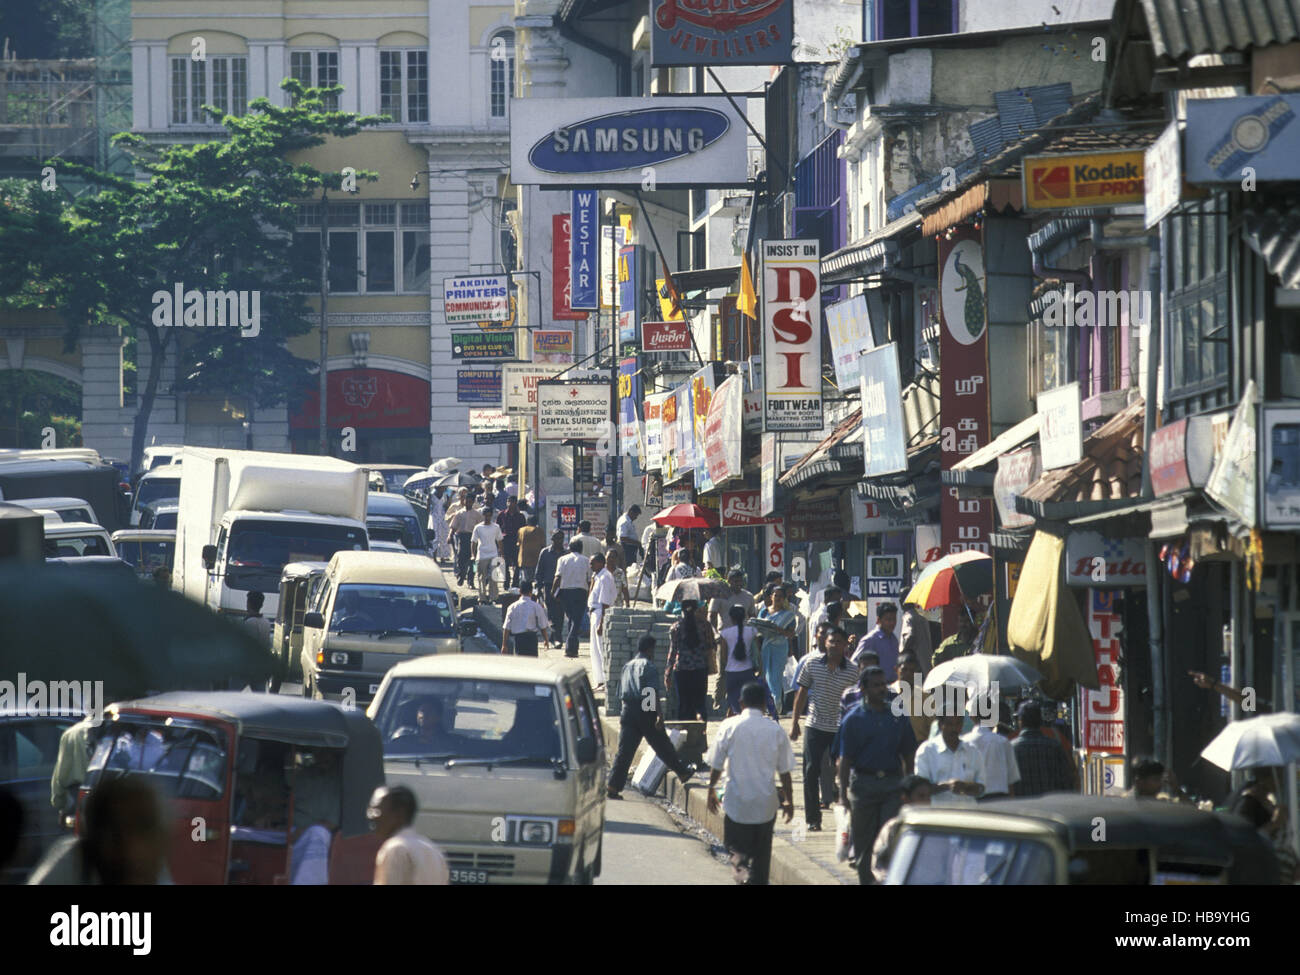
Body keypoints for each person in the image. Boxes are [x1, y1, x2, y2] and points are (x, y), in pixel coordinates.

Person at [706, 681, 796, 885]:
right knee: (762, 860)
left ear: (741, 703)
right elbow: (785, 771)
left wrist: (711, 789)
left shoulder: (729, 726)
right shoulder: (775, 730)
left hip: (736, 804)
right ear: (764, 704)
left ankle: (743, 880)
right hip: (765, 806)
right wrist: (789, 801)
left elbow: (717, 764)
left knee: (738, 857)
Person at [836, 666, 919, 884]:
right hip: (863, 786)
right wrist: (843, 794)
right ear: (863, 689)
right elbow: (844, 761)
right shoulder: (853, 719)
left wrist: (909, 784)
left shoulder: (897, 715)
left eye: (884, 684)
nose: (882, 689)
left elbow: (909, 752)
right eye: (876, 685)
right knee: (864, 842)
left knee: (889, 840)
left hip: (893, 785)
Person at [29, 775, 171, 885]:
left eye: (144, 828)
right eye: (114, 833)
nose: (130, 848)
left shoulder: (156, 871)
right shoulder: (71, 863)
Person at [607, 635, 697, 799]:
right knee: (662, 745)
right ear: (649, 649)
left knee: (624, 751)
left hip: (627, 711)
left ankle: (613, 786)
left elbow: (620, 693)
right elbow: (650, 693)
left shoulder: (627, 666)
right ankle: (682, 772)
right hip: (644, 709)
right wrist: (658, 716)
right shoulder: (648, 666)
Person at [790, 626, 860, 831]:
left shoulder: (853, 670)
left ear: (845, 645)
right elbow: (801, 693)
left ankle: (847, 815)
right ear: (824, 642)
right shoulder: (811, 664)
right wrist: (795, 722)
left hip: (841, 728)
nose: (834, 645)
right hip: (815, 724)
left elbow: (856, 701)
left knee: (844, 772)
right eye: (831, 641)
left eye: (839, 641)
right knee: (811, 771)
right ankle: (813, 819)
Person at [368, 785, 449, 885]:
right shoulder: (433, 851)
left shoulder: (395, 849)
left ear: (399, 814)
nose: (371, 816)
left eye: (377, 810)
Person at [869, 775, 932, 884]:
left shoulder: (935, 828)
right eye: (921, 796)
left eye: (928, 796)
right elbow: (880, 863)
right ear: (906, 799)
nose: (926, 801)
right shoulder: (894, 828)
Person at [915, 715, 985, 806]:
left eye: (958, 724)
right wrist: (946, 786)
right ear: (940, 725)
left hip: (967, 815)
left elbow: (981, 788)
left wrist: (966, 787)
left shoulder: (972, 751)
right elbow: (920, 790)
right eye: (949, 724)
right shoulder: (926, 751)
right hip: (938, 815)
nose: (954, 729)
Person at [1009, 701, 1074, 796]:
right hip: (1051, 806)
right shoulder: (1055, 746)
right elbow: (1067, 780)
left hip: (1021, 807)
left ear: (1021, 721)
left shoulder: (1011, 748)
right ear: (1040, 721)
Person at [962, 696, 1020, 800]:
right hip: (1000, 799)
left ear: (972, 716)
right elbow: (1011, 780)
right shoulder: (1003, 742)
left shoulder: (963, 742)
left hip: (972, 798)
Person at [666, 599, 715, 722]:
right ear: (696, 609)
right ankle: (700, 733)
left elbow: (672, 652)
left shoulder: (675, 628)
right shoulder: (705, 625)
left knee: (683, 704)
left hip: (681, 669)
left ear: (682, 610)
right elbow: (711, 646)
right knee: (700, 703)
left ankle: (684, 734)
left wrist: (667, 673)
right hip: (700, 669)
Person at [757, 585, 798, 717]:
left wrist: (779, 630)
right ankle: (766, 705)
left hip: (780, 647)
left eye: (781, 596)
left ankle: (775, 706)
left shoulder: (789, 615)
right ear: (771, 597)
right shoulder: (764, 612)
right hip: (766, 646)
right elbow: (758, 629)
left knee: (776, 677)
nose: (778, 598)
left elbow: (791, 634)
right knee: (765, 676)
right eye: (776, 595)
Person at [50, 715, 96, 817]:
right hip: (107, 793)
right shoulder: (112, 732)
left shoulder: (70, 734)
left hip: (79, 796)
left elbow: (61, 774)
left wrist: (59, 802)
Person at [551, 540, 590, 659]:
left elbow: (557, 578)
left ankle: (572, 649)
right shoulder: (586, 560)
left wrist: (553, 592)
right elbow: (589, 579)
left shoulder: (562, 559)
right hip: (580, 592)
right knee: (576, 620)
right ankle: (571, 647)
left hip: (565, 592)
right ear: (581, 548)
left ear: (570, 548)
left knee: (572, 619)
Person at [719, 604, 760, 716]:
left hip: (731, 672)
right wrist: (761, 670)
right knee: (749, 703)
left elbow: (723, 657)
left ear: (731, 617)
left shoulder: (725, 633)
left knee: (733, 703)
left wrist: (723, 671)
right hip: (748, 671)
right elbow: (758, 652)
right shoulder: (752, 631)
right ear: (745, 616)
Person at [587, 552, 615, 690]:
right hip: (593, 613)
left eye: (592, 563)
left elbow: (605, 603)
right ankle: (599, 680)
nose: (590, 565)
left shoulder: (605, 577)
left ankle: (605, 680)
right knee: (594, 650)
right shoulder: (597, 576)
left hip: (600, 614)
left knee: (601, 648)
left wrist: (601, 623)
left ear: (600, 562)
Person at [501, 580, 550, 657]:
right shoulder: (536, 606)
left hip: (519, 640)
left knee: (520, 665)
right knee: (532, 664)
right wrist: (546, 640)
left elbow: (506, 628)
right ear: (531, 592)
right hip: (532, 639)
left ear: (520, 591)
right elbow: (543, 626)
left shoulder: (512, 607)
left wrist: (504, 645)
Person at [852, 602, 899, 680]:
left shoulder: (894, 639)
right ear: (878, 620)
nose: (892, 623)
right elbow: (854, 664)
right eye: (888, 619)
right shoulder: (870, 640)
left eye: (894, 619)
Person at [470, 508, 504, 602]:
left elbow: (500, 540)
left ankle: (494, 597)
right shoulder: (478, 527)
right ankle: (482, 598)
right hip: (481, 556)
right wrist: (473, 554)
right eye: (486, 515)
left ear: (491, 516)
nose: (487, 517)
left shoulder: (496, 527)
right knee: (481, 578)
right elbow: (473, 542)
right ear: (483, 515)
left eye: (489, 515)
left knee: (493, 577)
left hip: (493, 555)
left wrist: (501, 554)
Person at [449, 491, 480, 587]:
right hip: (462, 537)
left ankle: (471, 580)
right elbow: (453, 526)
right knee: (461, 559)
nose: (468, 503)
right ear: (464, 501)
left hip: (473, 538)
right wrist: (450, 535)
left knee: (473, 561)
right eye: (467, 501)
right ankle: (461, 575)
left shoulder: (477, 514)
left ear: (473, 502)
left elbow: (481, 526)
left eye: (471, 501)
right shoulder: (459, 513)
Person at [535, 530, 565, 629]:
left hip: (562, 587)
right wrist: (538, 587)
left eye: (561, 538)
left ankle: (557, 633)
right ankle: (553, 631)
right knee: (550, 610)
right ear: (552, 539)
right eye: (557, 538)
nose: (559, 541)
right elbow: (539, 571)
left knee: (560, 611)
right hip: (548, 585)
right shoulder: (545, 552)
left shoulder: (566, 554)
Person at [708, 569, 754, 633]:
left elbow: (752, 618)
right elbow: (711, 617)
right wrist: (715, 633)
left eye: (741, 581)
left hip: (743, 636)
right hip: (724, 636)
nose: (739, 584)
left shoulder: (749, 596)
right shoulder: (719, 595)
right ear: (728, 581)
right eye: (736, 581)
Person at [496, 497, 527, 589]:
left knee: (517, 564)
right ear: (507, 503)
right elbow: (497, 529)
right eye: (509, 502)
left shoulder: (520, 516)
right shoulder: (502, 514)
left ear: (516, 503)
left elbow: (522, 530)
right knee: (504, 563)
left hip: (516, 542)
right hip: (505, 542)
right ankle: (506, 581)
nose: (511, 504)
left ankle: (515, 583)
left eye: (513, 502)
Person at [898, 600, 933, 676]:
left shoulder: (908, 617)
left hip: (915, 666)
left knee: (913, 687)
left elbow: (909, 636)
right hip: (926, 664)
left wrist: (903, 654)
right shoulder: (923, 618)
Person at [805, 585, 841, 657]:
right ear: (827, 598)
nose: (838, 602)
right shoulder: (822, 616)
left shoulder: (817, 613)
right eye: (836, 599)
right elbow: (816, 642)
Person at [602, 532, 631, 606]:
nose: (611, 560)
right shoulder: (600, 572)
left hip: (617, 605)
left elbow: (625, 589)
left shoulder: (620, 573)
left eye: (613, 558)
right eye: (609, 558)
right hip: (603, 606)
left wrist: (627, 604)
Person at [516, 515, 544, 587]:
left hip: (524, 559)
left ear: (527, 521)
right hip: (536, 559)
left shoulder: (521, 530)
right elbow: (543, 544)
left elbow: (518, 543)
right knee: (536, 580)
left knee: (525, 580)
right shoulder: (539, 530)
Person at [427, 486, 451, 561]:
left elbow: (447, 506)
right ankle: (434, 556)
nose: (442, 489)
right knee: (435, 536)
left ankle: (442, 556)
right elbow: (427, 507)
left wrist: (448, 502)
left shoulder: (445, 495)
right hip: (434, 516)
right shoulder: (431, 495)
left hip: (443, 516)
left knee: (443, 536)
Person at [616, 504, 642, 569]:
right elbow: (622, 537)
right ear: (631, 512)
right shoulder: (625, 521)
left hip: (630, 549)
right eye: (636, 515)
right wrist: (637, 543)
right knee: (628, 567)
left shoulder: (628, 521)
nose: (636, 517)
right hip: (626, 549)